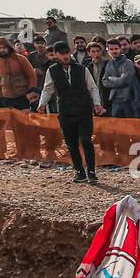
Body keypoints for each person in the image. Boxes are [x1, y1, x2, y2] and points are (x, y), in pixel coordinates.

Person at [36, 42, 104, 184]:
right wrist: (42, 104)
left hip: (84, 110)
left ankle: (91, 171)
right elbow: (48, 89)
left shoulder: (81, 69)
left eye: (66, 53)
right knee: (71, 143)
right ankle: (80, 172)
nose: (65, 56)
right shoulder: (52, 71)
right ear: (56, 55)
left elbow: (92, 88)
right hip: (66, 111)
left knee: (86, 140)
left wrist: (97, 103)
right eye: (61, 53)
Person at [0, 37, 39, 110]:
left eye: (4, 47)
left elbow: (32, 76)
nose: (2, 50)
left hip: (23, 96)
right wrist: (0, 96)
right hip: (6, 98)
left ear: (9, 47)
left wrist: (31, 92)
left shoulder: (21, 59)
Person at [101, 38, 137, 117]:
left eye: (116, 48)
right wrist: (117, 79)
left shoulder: (128, 63)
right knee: (116, 125)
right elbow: (104, 81)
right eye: (111, 49)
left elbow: (124, 81)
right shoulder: (109, 64)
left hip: (128, 99)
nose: (114, 51)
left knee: (130, 125)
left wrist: (111, 78)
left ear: (120, 49)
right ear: (108, 50)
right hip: (115, 100)